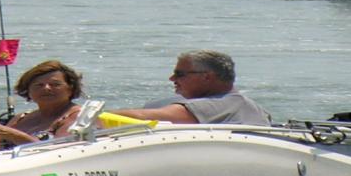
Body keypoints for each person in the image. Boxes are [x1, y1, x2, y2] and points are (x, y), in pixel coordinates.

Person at [108, 50, 272, 126]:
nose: (172, 79)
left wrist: (91, 116)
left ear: (206, 77)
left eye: (180, 74)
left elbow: (146, 117)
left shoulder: (219, 105)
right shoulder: (249, 106)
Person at [0, 60, 87, 153]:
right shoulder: (21, 118)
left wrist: (8, 133)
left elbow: (57, 152)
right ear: (28, 91)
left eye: (55, 84)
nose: (46, 88)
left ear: (70, 88)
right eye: (38, 85)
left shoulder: (79, 117)